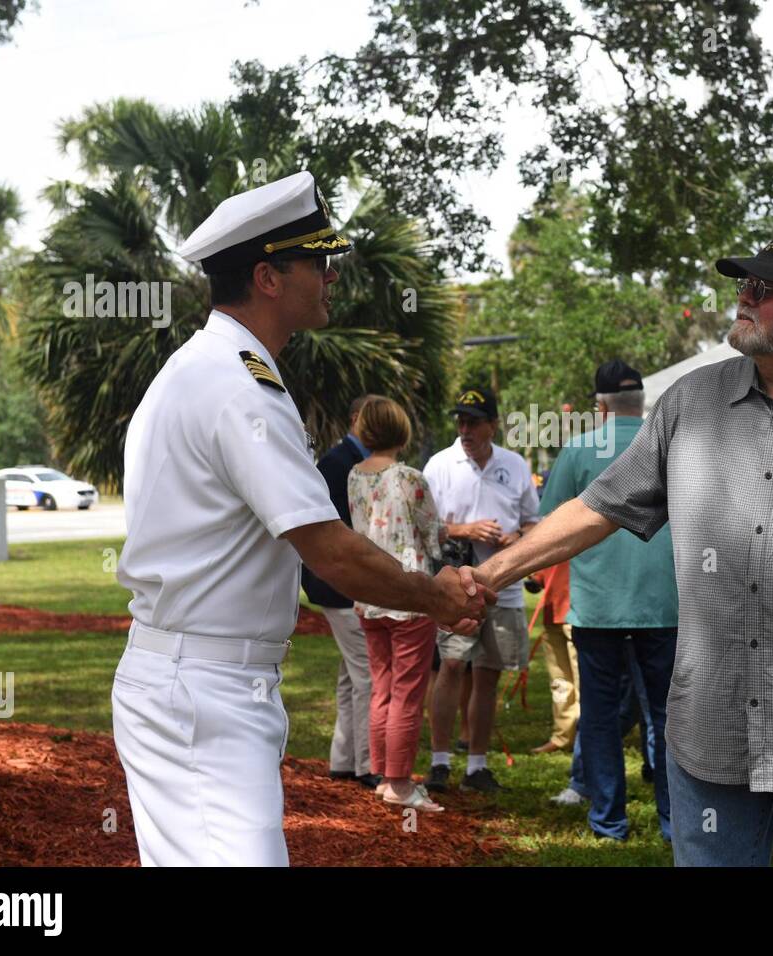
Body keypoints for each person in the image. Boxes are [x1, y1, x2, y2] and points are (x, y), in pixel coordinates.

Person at [474, 221, 773, 866]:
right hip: (710, 727)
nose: (744, 297)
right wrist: (486, 576)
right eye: (743, 284)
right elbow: (598, 509)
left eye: (764, 287)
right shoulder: (689, 403)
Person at [112, 171, 490, 866]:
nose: (331, 278)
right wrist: (434, 596)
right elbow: (329, 550)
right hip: (203, 687)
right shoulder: (238, 385)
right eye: (317, 262)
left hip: (203, 680)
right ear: (268, 277)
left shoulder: (209, 367)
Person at [539, 360, 678, 841]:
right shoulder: (669, 446)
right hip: (665, 605)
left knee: (599, 716)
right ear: (641, 402)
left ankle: (608, 821)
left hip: (597, 607)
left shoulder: (578, 449)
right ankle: (674, 823)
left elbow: (550, 525)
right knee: (666, 715)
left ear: (599, 406)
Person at [423, 386, 540, 793]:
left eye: (473, 421)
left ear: (493, 424)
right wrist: (464, 529)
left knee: (489, 674)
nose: (465, 428)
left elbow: (532, 523)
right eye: (460, 420)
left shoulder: (515, 465)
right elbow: (424, 527)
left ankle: (477, 765)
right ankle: (439, 761)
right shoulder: (440, 465)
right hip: (455, 586)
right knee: (451, 667)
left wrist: (514, 538)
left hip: (502, 589)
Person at [348, 397, 446, 812]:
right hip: (409, 597)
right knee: (407, 692)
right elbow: (433, 534)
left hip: (370, 595)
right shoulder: (410, 477)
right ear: (401, 430)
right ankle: (400, 783)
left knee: (381, 688)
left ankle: (385, 776)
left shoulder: (355, 474)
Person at [302, 394, 382, 790]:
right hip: (339, 583)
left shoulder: (344, 461)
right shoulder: (339, 464)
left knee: (352, 675)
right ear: (355, 419)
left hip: (340, 582)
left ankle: (344, 759)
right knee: (367, 672)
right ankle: (368, 764)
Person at [529, 560, 580, 755]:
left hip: (578, 612)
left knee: (583, 680)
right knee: (560, 682)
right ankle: (562, 736)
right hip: (553, 609)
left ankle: (584, 737)